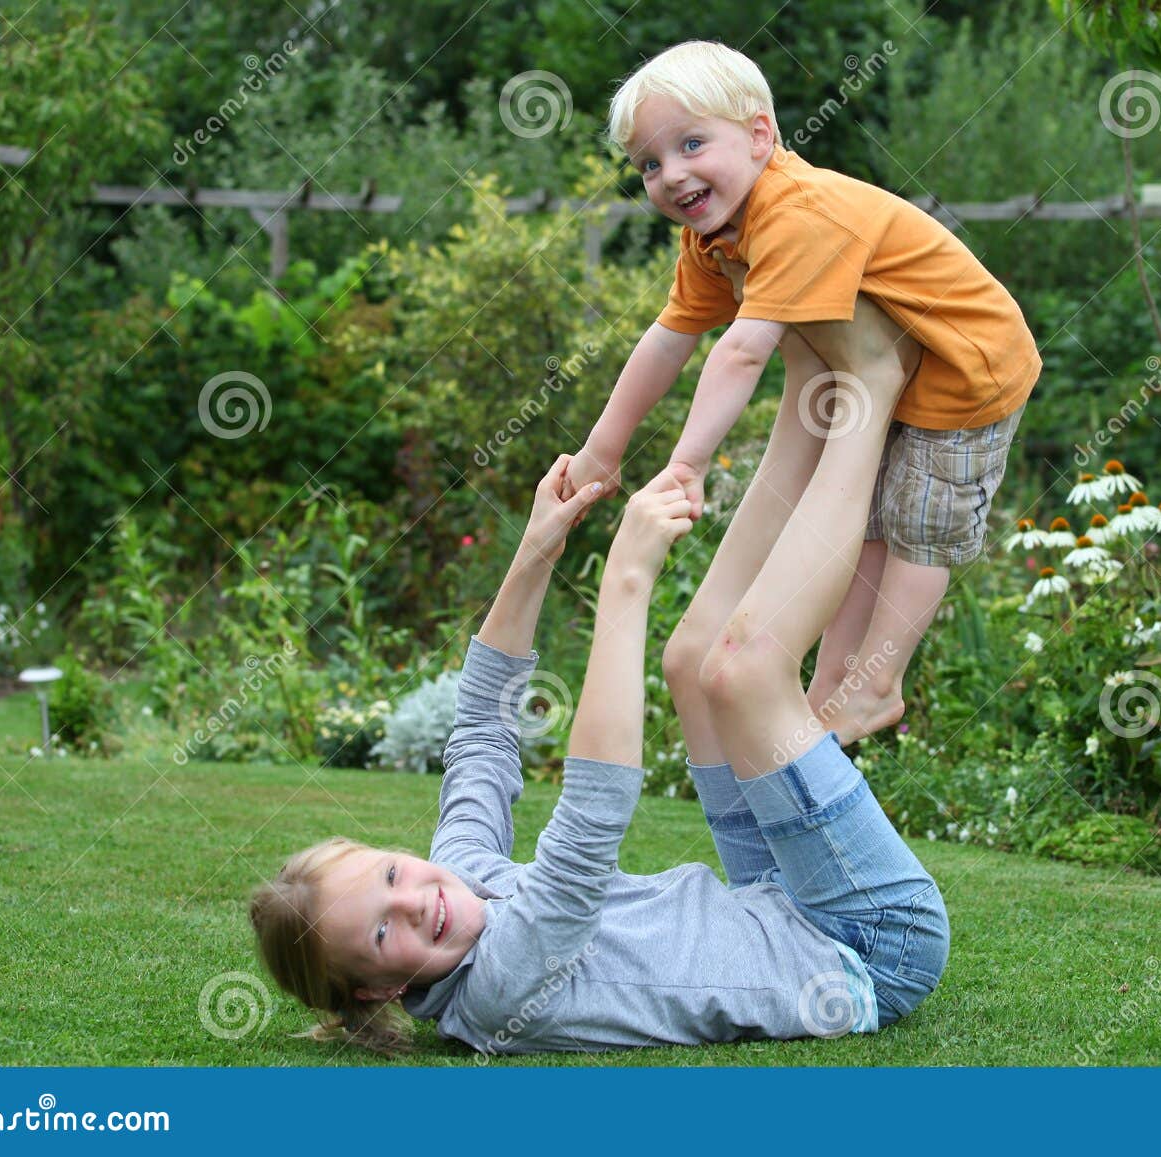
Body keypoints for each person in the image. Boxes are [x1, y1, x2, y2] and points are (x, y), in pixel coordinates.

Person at [250, 456, 949, 1055]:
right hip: (864, 949)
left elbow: (481, 739)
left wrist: (534, 553)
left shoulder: (458, 880)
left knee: (693, 663)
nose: (414, 901)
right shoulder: (495, 996)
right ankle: (871, 387)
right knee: (745, 672)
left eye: (391, 873)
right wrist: (626, 579)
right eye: (380, 931)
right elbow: (586, 833)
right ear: (378, 988)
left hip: (772, 898)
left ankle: (808, 389)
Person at [562, 40, 1040, 749]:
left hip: (968, 371)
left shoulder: (797, 211)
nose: (673, 175)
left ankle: (879, 684)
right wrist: (604, 448)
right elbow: (669, 338)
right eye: (650, 164)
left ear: (761, 136)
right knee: (869, 524)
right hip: (899, 377)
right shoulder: (716, 238)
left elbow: (745, 349)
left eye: (693, 143)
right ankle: (838, 682)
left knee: (919, 526)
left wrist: (687, 464)